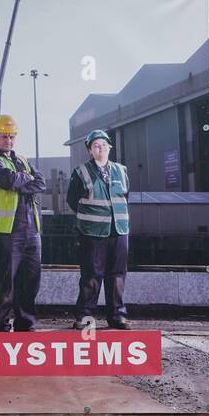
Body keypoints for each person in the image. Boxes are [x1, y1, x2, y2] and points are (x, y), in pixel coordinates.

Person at [0, 114, 45, 332]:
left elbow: (41, 182)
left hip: (30, 229)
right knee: (4, 282)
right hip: (5, 230)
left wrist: (20, 180)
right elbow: (8, 180)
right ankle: (0, 324)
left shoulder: (22, 160)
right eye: (4, 136)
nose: (8, 140)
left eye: (11, 136)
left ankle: (25, 321)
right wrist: (25, 179)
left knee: (30, 279)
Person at [66, 129, 130, 330]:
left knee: (117, 274)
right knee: (91, 276)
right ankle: (85, 317)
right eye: (95, 145)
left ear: (110, 147)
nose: (100, 148)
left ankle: (117, 316)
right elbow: (72, 201)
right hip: (91, 233)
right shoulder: (81, 172)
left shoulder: (121, 170)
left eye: (103, 144)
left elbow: (125, 196)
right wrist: (93, 219)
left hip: (118, 231)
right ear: (89, 150)